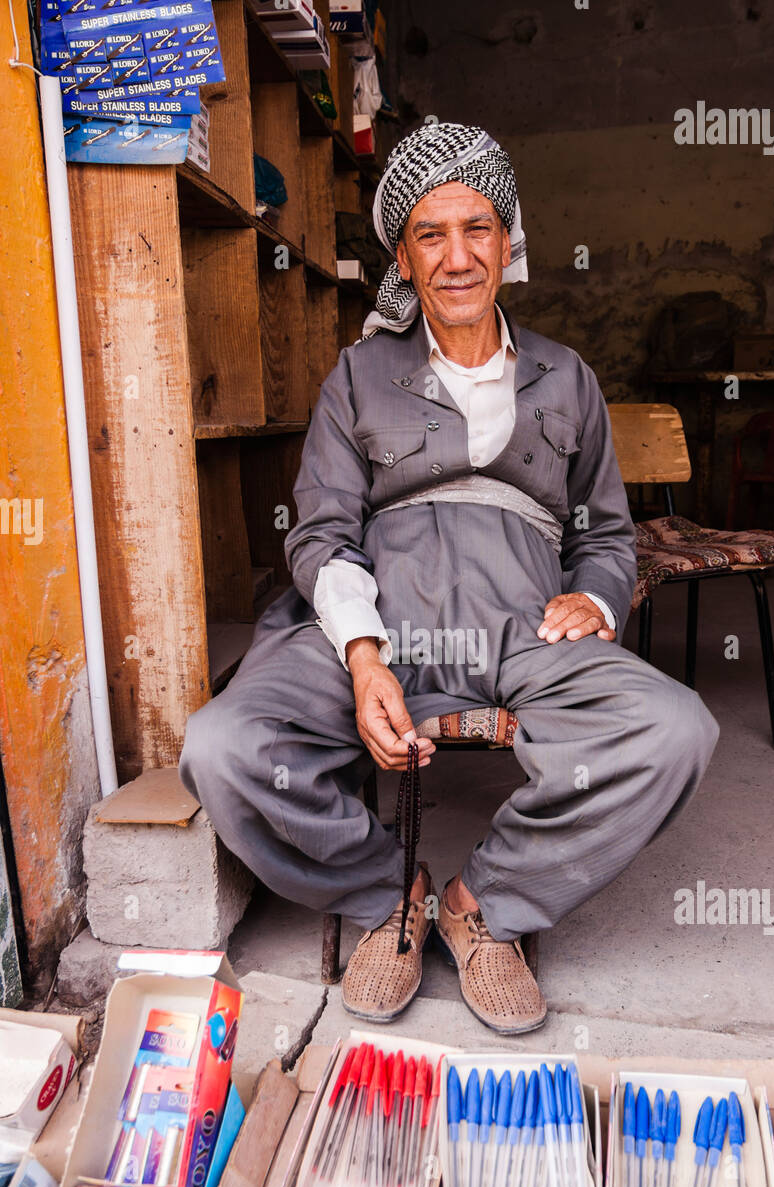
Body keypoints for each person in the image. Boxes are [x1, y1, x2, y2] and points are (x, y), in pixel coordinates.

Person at [179, 121, 719, 1036]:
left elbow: (606, 534)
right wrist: (359, 653)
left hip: (521, 627)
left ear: (509, 241)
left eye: (478, 229)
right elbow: (320, 533)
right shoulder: (359, 376)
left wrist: (590, 596)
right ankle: (387, 890)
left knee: (674, 731)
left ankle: (484, 904)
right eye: (432, 235)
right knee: (222, 748)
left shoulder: (566, 376)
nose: (458, 257)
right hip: (381, 614)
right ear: (404, 255)